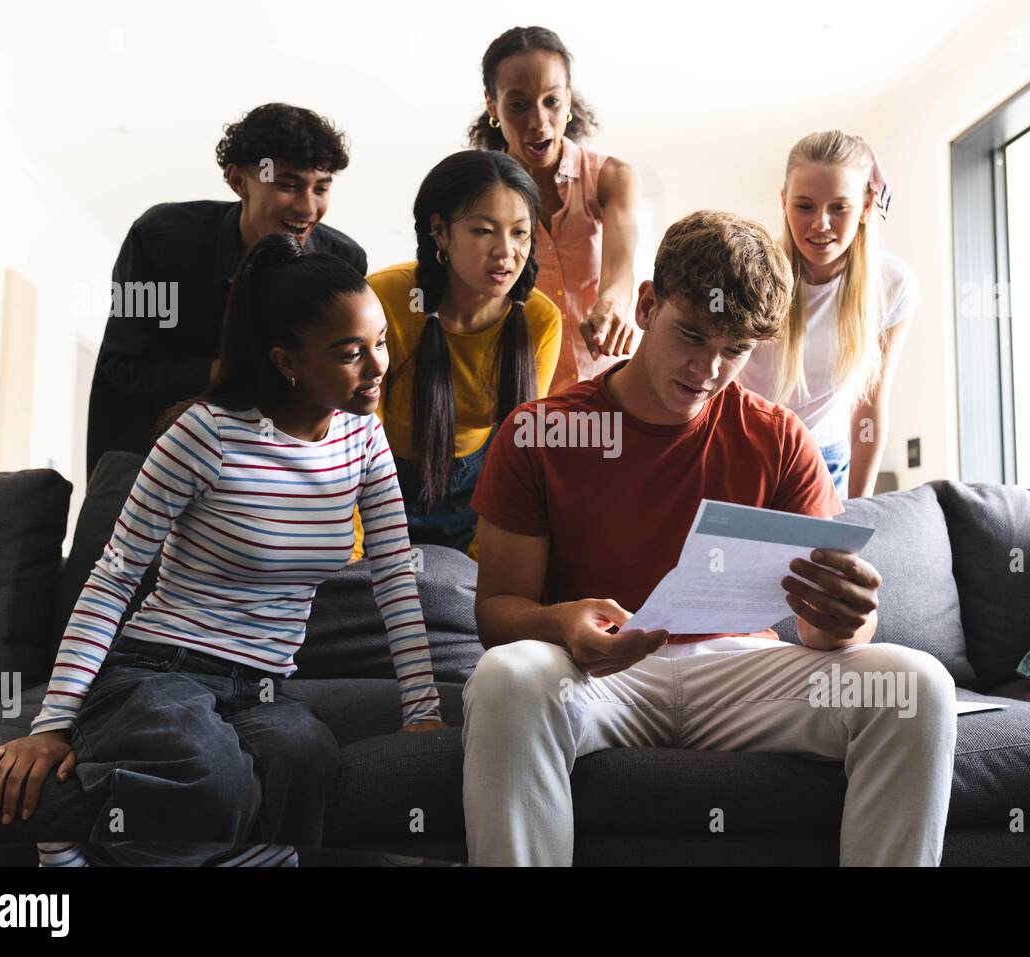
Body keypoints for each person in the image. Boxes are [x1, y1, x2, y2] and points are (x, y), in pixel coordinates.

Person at [461, 210, 957, 867]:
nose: (708, 368)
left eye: (736, 350)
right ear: (646, 304)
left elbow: (821, 633)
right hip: (598, 672)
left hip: (740, 671)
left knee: (917, 682)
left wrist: (848, 622)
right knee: (504, 677)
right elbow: (497, 612)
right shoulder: (541, 431)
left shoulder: (778, 437)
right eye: (690, 334)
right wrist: (556, 622)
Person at [0, 234, 444, 867]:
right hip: (157, 669)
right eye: (349, 353)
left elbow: (392, 572)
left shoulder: (362, 437)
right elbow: (113, 577)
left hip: (263, 686)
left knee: (307, 759)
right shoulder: (206, 433)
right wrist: (51, 725)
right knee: (214, 775)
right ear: (287, 361)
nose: (377, 366)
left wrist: (422, 711)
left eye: (381, 342)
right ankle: (64, 851)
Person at [85, 102, 368, 479]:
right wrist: (225, 372)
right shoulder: (159, 240)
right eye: (287, 184)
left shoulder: (344, 262)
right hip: (143, 459)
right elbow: (125, 365)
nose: (307, 206)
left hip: (264, 472)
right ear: (238, 181)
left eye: (321, 187)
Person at [366, 150, 560, 558]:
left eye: (519, 233)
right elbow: (351, 442)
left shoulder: (541, 320)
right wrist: (350, 554)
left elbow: (519, 455)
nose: (506, 252)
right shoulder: (384, 299)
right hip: (379, 491)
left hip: (476, 498)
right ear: (440, 232)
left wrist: (483, 557)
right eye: (484, 231)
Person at [738, 130, 918, 499]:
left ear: (866, 207)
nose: (821, 223)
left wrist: (859, 508)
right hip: (744, 451)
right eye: (804, 206)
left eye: (839, 207)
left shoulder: (893, 285)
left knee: (817, 559)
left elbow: (870, 407)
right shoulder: (750, 273)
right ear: (784, 202)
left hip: (825, 462)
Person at [469, 25, 641, 395]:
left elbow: (620, 269)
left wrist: (612, 304)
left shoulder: (612, 178)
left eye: (551, 101)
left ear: (569, 99)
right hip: (517, 391)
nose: (538, 122)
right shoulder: (475, 195)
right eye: (518, 104)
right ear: (491, 105)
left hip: (605, 386)